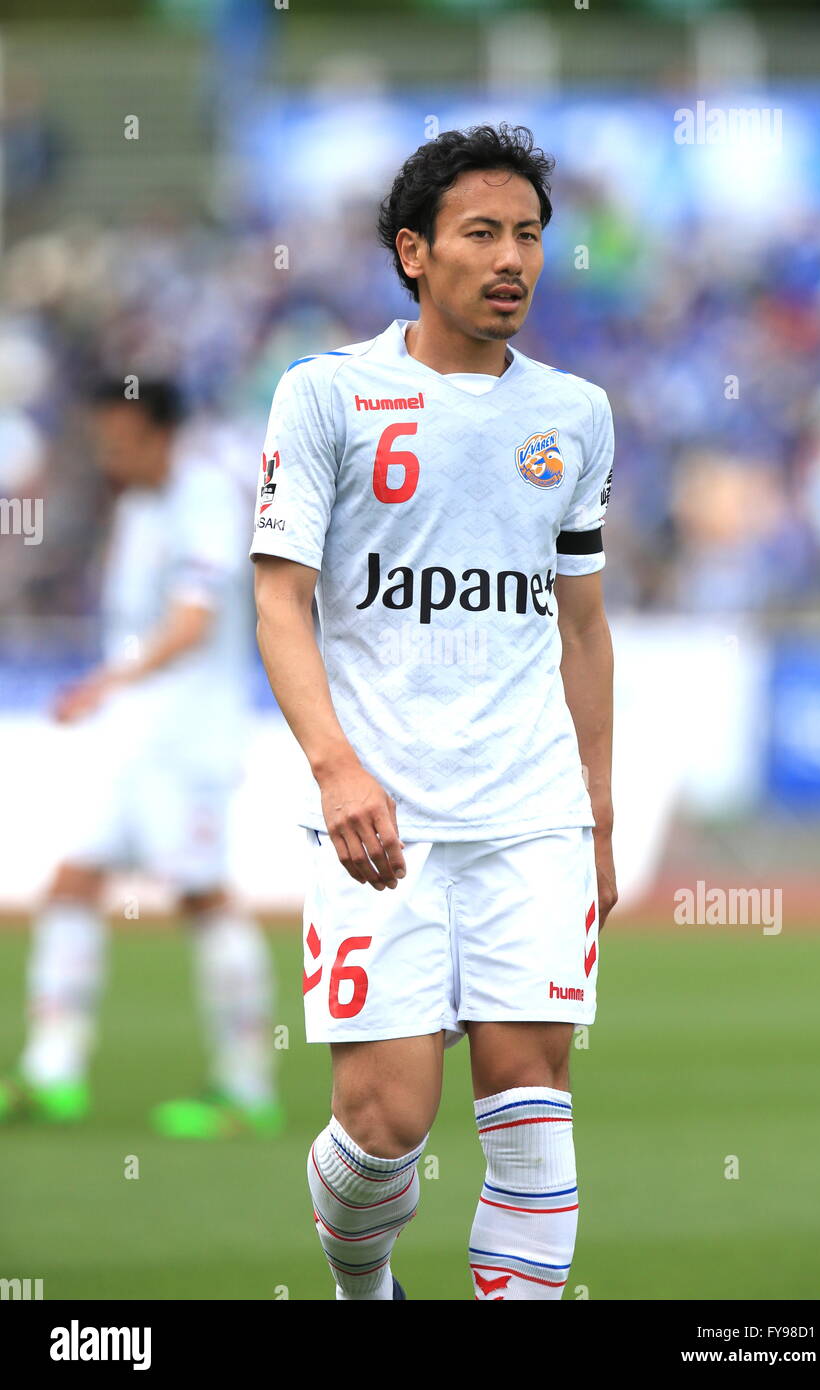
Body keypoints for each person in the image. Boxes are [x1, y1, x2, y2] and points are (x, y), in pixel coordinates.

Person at [251, 123, 617, 1298]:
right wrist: (335, 770)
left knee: (531, 1114)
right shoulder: (326, 396)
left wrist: (595, 811)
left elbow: (581, 625)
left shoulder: (575, 414)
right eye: (480, 234)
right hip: (382, 818)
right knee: (383, 1128)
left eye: (526, 235)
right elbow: (279, 601)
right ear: (413, 252)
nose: (510, 258)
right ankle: (365, 1286)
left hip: (529, 811)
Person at [1, 380, 282, 1140]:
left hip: (190, 738)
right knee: (73, 879)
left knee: (200, 894)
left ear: (160, 434)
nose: (110, 455)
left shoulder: (204, 498)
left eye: (121, 440)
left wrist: (104, 684)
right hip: (132, 735)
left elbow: (194, 622)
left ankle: (246, 1084)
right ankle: (52, 1071)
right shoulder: (137, 507)